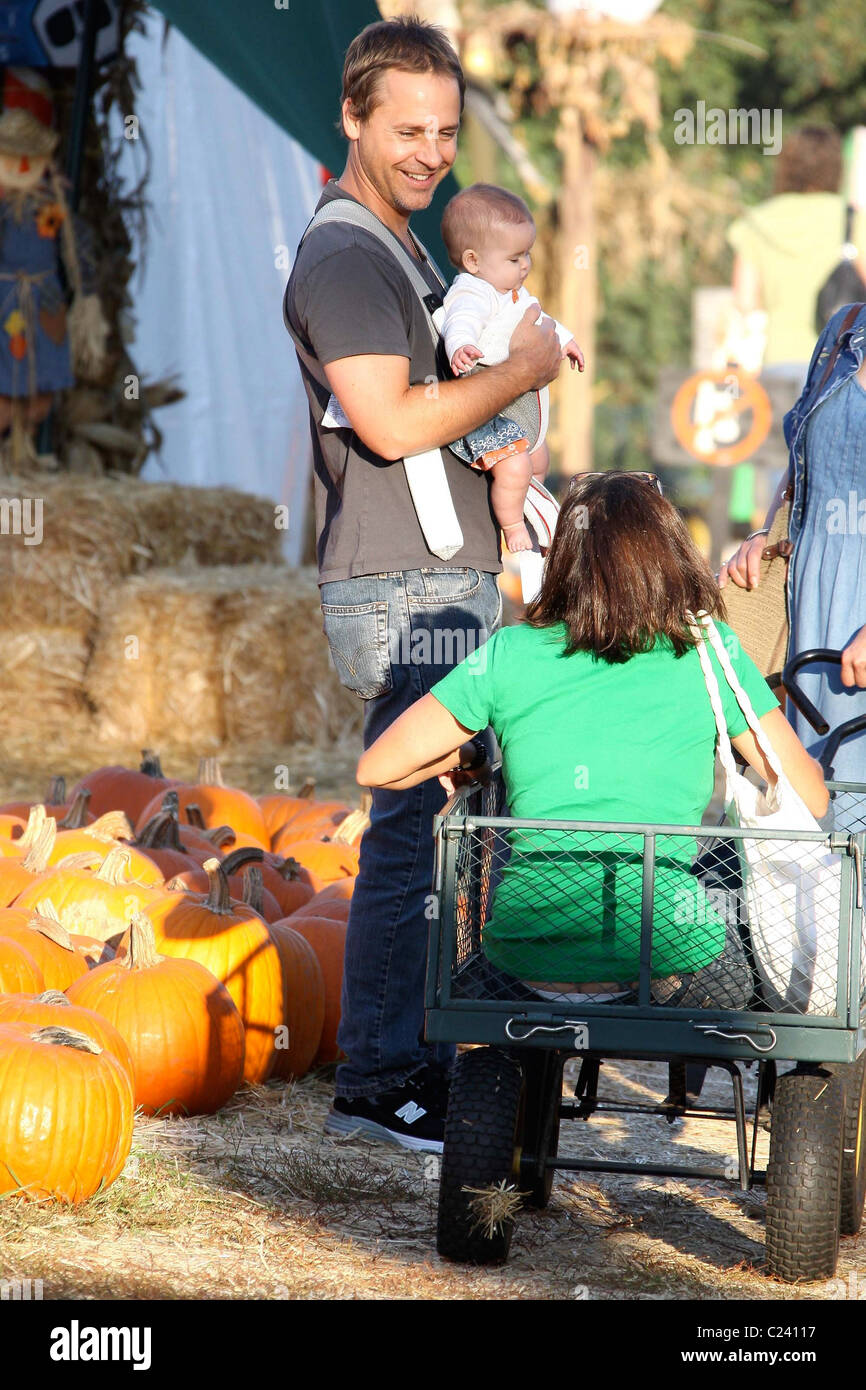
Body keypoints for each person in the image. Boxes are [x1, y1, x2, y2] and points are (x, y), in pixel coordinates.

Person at [282, 16, 566, 1153]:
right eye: (406, 129)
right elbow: (394, 425)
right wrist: (528, 368)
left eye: (446, 131)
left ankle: (418, 1061)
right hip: (403, 590)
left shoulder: (400, 247)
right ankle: (381, 1078)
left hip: (435, 579)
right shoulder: (348, 255)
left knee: (444, 833)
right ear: (350, 117)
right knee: (412, 835)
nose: (429, 151)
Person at [358, 473, 829, 1001]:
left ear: (564, 560)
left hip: (527, 954)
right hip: (663, 957)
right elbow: (809, 796)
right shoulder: (708, 650)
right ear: (670, 556)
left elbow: (376, 768)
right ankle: (687, 1083)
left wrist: (468, 753)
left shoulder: (510, 651)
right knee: (734, 943)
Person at [719, 302, 866, 779]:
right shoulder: (845, 328)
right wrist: (766, 535)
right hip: (807, 596)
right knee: (807, 788)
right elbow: (800, 468)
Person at [439, 183, 583, 552]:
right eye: (514, 258)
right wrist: (461, 346)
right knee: (515, 466)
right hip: (485, 405)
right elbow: (460, 322)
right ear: (473, 261)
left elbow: (540, 319)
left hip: (515, 405)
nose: (525, 265)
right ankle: (513, 524)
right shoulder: (472, 292)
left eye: (527, 255)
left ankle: (531, 503)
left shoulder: (514, 295)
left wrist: (566, 342)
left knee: (538, 456)